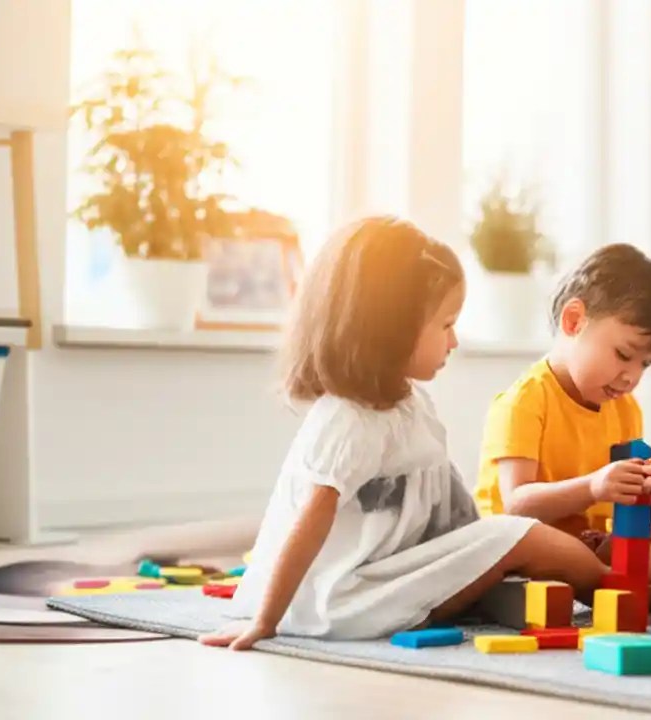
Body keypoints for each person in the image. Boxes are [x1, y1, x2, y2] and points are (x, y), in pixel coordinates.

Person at [199, 217, 619, 649]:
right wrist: (266, 620)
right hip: (340, 599)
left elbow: (449, 503)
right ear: (392, 328)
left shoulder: (411, 406)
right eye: (446, 325)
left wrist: (486, 548)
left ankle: (595, 582)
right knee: (521, 534)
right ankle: (617, 590)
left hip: (385, 577)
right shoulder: (349, 420)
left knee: (511, 542)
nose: (454, 341)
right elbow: (308, 522)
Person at [475, 244, 651, 613]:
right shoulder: (524, 401)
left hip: (587, 544)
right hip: (522, 544)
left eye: (645, 365)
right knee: (554, 549)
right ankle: (626, 594)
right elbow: (516, 504)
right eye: (623, 355)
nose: (632, 376)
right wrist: (592, 487)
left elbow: (626, 495)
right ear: (574, 322)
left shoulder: (624, 410)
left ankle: (609, 590)